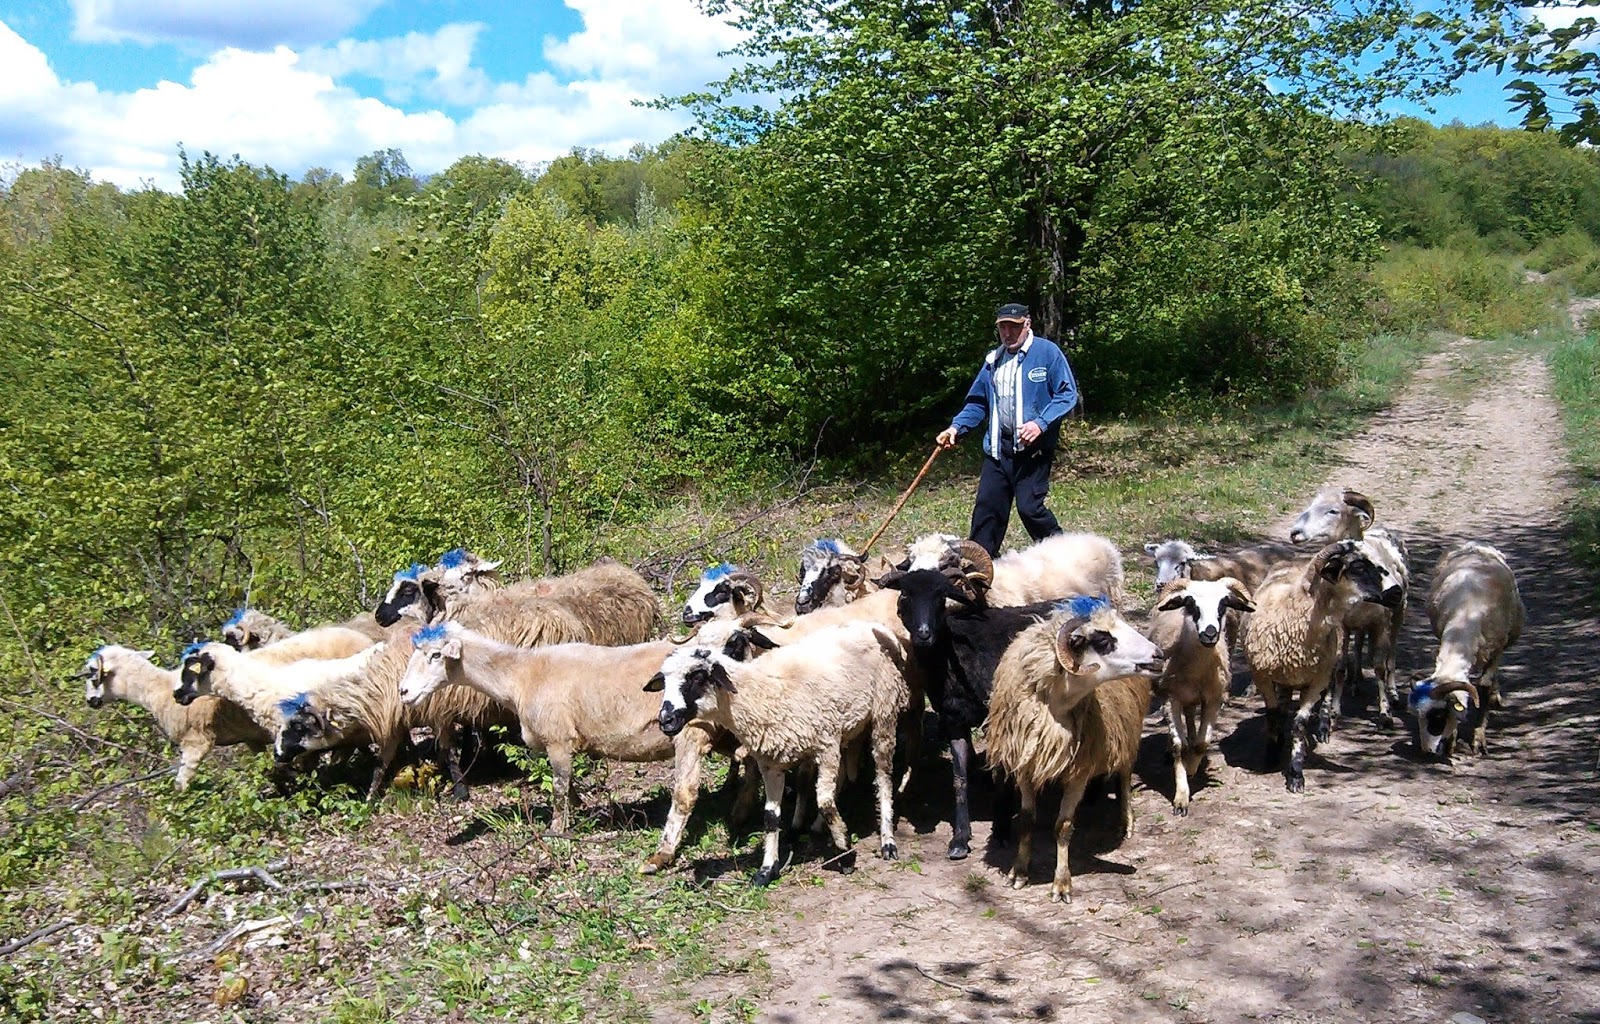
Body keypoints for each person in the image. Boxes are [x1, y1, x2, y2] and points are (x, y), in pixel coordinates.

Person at [935, 302, 1079, 556]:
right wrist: (956, 427)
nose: (1008, 333)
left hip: (1033, 449)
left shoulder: (1047, 353)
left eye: (1013, 327)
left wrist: (1040, 424)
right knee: (987, 511)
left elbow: (1067, 394)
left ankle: (1068, 557)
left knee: (1030, 509)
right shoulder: (994, 361)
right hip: (999, 449)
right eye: (1003, 327)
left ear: (1027, 324)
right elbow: (978, 402)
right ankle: (978, 572)